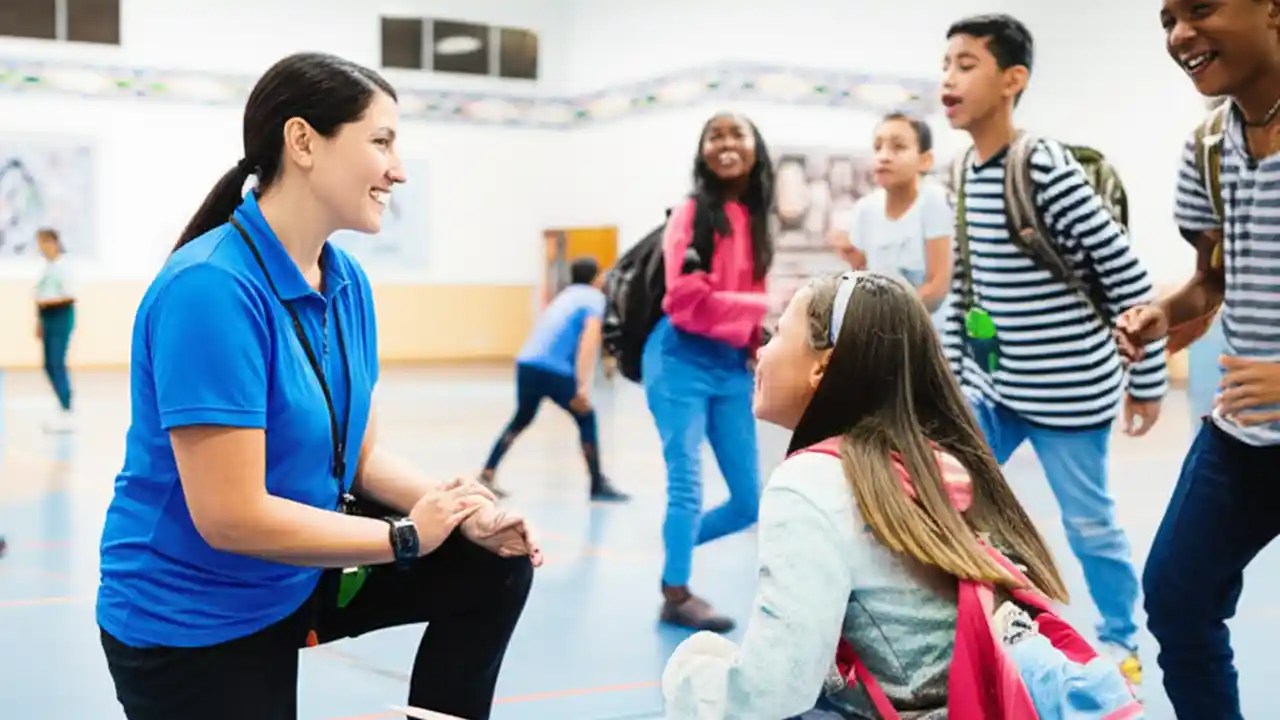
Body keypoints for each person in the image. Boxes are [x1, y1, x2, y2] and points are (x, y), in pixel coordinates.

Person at [95, 52, 541, 720]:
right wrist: (404, 538)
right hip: (192, 617)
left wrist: (459, 511)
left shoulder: (346, 282)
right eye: (381, 142)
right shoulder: (211, 289)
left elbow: (359, 456)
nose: (399, 169)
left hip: (294, 578)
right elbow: (231, 516)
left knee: (491, 563)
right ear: (302, 141)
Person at [660, 271, 1070, 719]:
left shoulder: (811, 483)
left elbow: (770, 693)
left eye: (777, 333)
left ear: (822, 367)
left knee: (705, 663)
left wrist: (687, 674)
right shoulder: (935, 464)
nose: (760, 350)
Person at [939, 13, 1167, 686]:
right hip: (997, 391)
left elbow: (1130, 279)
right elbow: (964, 289)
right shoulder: (963, 173)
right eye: (946, 64)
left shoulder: (1040, 166)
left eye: (967, 64)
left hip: (1072, 395)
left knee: (1089, 525)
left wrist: (1147, 380)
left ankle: (1120, 640)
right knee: (942, 496)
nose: (949, 78)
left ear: (1013, 81)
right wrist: (951, 381)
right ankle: (980, 626)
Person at [1117, 1, 1280, 717]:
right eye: (1167, 20)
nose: (1180, 34)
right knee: (1177, 600)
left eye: (1202, 8)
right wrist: (1165, 312)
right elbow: (1215, 277)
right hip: (1241, 438)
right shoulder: (1211, 146)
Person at [643, 111, 774, 632]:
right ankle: (676, 592)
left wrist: (754, 326)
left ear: (755, 147)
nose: (726, 144)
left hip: (731, 366)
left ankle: (676, 543)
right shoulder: (692, 214)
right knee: (686, 484)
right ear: (702, 152)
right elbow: (682, 299)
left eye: (737, 133)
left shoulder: (758, 219)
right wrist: (761, 305)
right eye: (714, 136)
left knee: (748, 501)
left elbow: (734, 304)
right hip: (678, 361)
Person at [480, 256, 629, 502]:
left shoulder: (565, 296)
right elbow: (588, 343)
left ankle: (487, 474)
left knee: (521, 419)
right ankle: (597, 484)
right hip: (553, 369)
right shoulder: (594, 299)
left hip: (527, 364)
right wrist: (582, 386)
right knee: (586, 417)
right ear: (596, 277)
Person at [831, 113, 953, 321]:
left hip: (928, 334)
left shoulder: (933, 202)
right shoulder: (865, 209)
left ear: (925, 160)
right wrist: (850, 253)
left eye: (898, 147)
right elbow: (863, 278)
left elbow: (938, 285)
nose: (884, 156)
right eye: (878, 147)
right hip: (883, 332)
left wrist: (889, 318)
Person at [33, 227, 76, 432]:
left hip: (59, 316)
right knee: (48, 364)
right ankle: (61, 406)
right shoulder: (48, 267)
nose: (40, 248)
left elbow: (69, 294)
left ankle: (67, 410)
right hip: (48, 318)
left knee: (57, 363)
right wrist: (39, 322)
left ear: (53, 243)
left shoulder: (63, 266)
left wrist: (48, 303)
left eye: (43, 243)